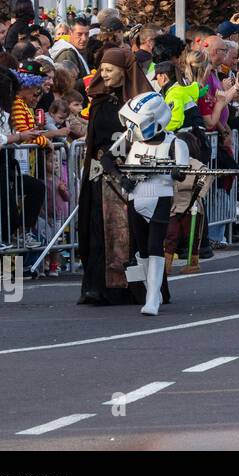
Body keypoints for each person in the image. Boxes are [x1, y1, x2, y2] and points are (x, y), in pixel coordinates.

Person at [77, 47, 154, 306]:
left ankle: (134, 287)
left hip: (133, 174)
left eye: (110, 70)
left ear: (125, 71)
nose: (104, 74)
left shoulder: (143, 102)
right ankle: (98, 288)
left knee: (133, 230)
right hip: (103, 176)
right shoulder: (98, 100)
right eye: (103, 70)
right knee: (100, 228)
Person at [113, 91, 188, 316]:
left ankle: (153, 297)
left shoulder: (176, 143)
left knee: (156, 246)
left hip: (160, 196)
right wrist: (121, 178)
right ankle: (151, 290)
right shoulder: (129, 139)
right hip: (136, 196)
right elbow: (108, 159)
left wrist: (175, 172)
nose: (135, 130)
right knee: (142, 250)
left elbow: (182, 173)